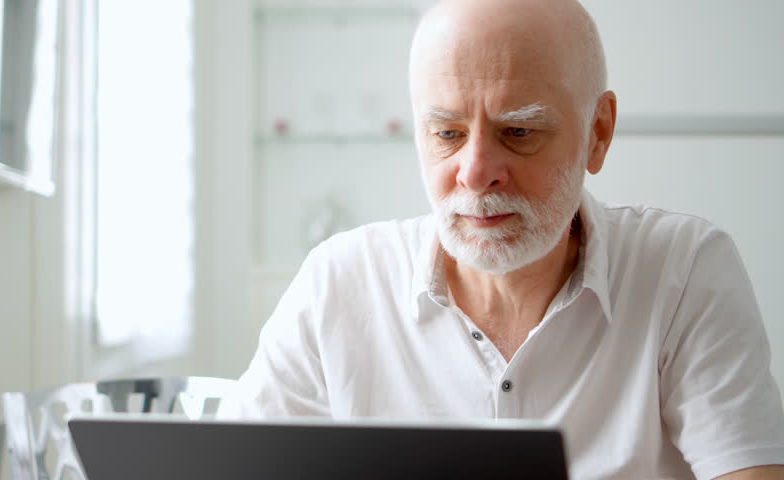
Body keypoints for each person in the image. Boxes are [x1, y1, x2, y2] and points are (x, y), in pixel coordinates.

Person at [218, 0, 784, 478]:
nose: (475, 172)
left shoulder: (681, 272)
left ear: (598, 133)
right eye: (447, 133)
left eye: (518, 131)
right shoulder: (340, 282)